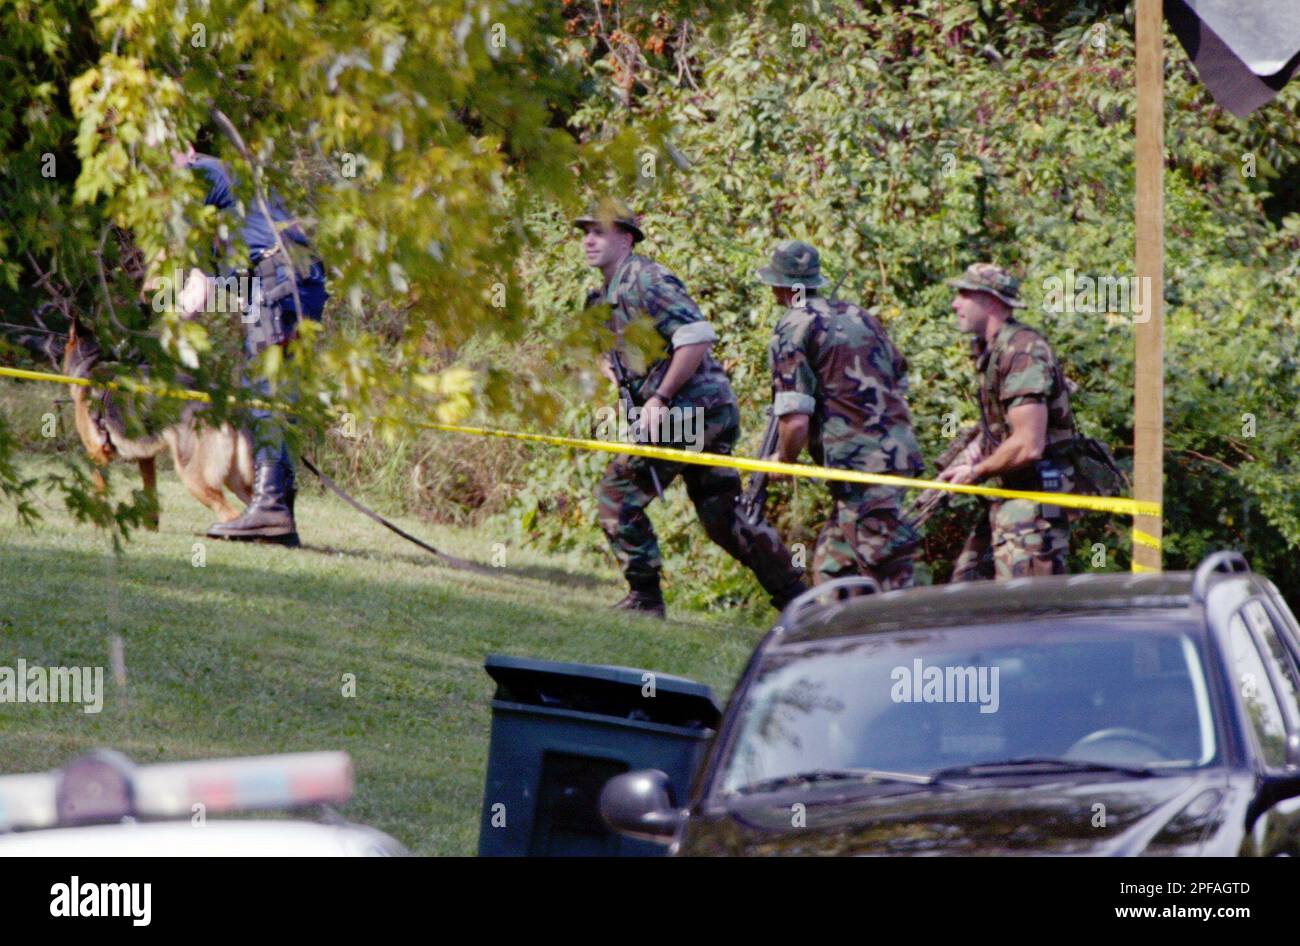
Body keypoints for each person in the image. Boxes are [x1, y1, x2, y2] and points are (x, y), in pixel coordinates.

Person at [578, 199, 807, 618]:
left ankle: (645, 599)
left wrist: (659, 397)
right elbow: (603, 351)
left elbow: (697, 335)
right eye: (585, 233)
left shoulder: (646, 279)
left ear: (626, 239)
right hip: (704, 414)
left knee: (617, 496)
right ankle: (799, 603)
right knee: (723, 520)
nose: (589, 240)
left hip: (693, 412)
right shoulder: (601, 297)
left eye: (600, 232)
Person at [171, 142, 329, 547]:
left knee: (266, 396)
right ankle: (279, 516)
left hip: (277, 286)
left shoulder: (202, 172)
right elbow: (237, 283)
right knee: (278, 397)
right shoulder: (237, 194)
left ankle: (270, 508)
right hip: (295, 285)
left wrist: (188, 301)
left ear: (185, 149)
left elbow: (208, 284)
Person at [759, 240, 924, 590]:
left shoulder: (792, 328)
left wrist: (783, 460)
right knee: (833, 570)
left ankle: (917, 642)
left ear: (780, 285)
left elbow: (796, 417)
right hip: (894, 455)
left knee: (890, 575)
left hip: (861, 469)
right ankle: (837, 642)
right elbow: (900, 376)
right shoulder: (860, 316)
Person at [938, 263, 1078, 579]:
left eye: (964, 294)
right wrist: (970, 455)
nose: (954, 303)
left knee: (1027, 615)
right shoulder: (992, 350)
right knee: (967, 586)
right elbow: (1002, 428)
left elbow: (1028, 444)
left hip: (1033, 503)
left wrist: (976, 472)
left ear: (990, 301)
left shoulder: (1022, 351)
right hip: (1006, 497)